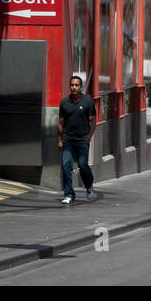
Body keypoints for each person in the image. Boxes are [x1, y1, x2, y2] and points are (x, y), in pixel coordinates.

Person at [57, 75, 97, 205]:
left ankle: (89, 186)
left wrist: (89, 137)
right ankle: (69, 194)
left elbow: (93, 121)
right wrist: (59, 139)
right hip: (68, 139)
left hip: (82, 140)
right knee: (66, 165)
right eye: (72, 85)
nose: (74, 87)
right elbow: (61, 122)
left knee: (82, 165)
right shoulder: (64, 102)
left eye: (76, 85)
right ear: (69, 86)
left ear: (81, 87)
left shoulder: (88, 102)